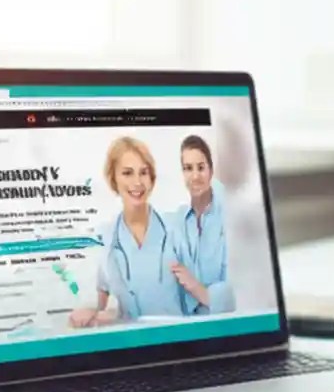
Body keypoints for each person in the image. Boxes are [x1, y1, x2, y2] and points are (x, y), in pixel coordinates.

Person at [68, 136, 187, 327]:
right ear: (113, 178)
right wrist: (90, 312)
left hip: (181, 343)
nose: (137, 182)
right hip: (131, 347)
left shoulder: (176, 229)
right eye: (127, 173)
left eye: (143, 172)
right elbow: (101, 301)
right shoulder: (107, 238)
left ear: (152, 178)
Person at [169, 134, 234, 315]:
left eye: (201, 167)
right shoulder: (177, 222)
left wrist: (197, 289)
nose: (195, 176)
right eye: (188, 168)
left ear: (211, 171)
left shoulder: (229, 218)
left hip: (223, 328)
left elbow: (238, 290)